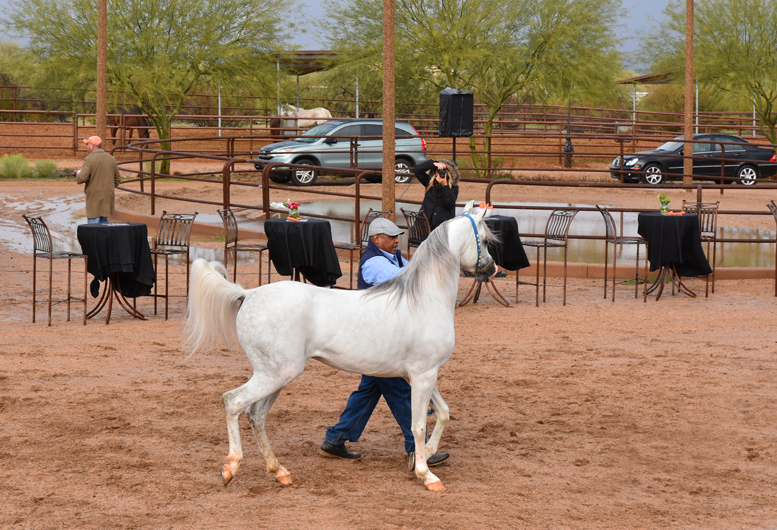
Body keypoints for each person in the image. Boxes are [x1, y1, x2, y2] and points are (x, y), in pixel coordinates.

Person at [320, 217, 450, 471]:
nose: (396, 240)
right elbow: (409, 280)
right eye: (391, 237)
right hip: (380, 341)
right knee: (399, 391)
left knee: (368, 391)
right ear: (376, 239)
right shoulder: (375, 263)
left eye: (396, 236)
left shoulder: (395, 258)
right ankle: (416, 448)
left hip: (384, 338)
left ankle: (335, 439)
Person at [76, 136, 122, 224]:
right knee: (104, 223)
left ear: (92, 146)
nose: (86, 146)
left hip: (94, 197)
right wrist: (109, 187)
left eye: (87, 144)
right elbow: (117, 179)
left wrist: (78, 174)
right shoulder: (111, 158)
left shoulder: (89, 159)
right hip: (107, 196)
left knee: (93, 225)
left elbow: (81, 179)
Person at [413, 158, 460, 231]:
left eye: (444, 172)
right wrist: (433, 164)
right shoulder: (430, 183)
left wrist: (444, 186)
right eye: (439, 171)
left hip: (441, 228)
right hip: (424, 226)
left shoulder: (453, 188)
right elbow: (417, 170)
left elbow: (449, 203)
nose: (441, 174)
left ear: (449, 174)